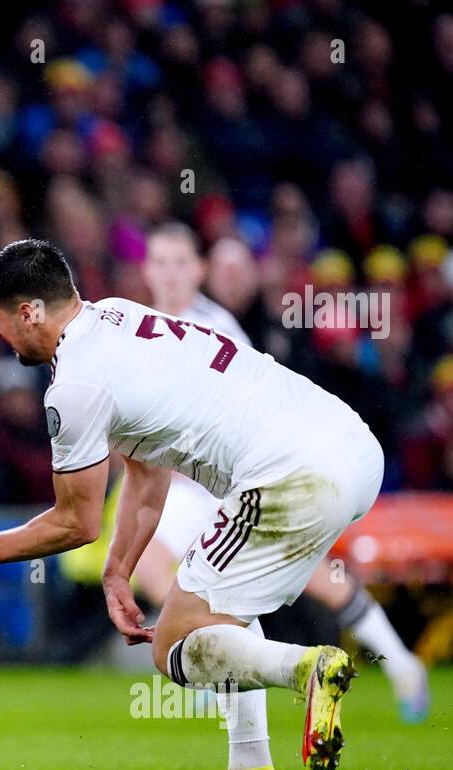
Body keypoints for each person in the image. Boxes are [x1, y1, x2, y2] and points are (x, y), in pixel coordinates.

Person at [0, 239, 386, 770]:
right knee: (222, 612)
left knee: (174, 647)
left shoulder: (75, 387)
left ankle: (306, 668)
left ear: (29, 311)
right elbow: (148, 469)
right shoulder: (123, 317)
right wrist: (118, 570)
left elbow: (76, 519)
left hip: (290, 474)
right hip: (350, 446)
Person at [135, 223, 430, 734]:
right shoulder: (145, 329)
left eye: (181, 262)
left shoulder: (218, 329)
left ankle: (401, 664)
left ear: (198, 271)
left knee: (316, 580)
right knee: (157, 566)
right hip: (186, 485)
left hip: (237, 479)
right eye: (160, 262)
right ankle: (213, 670)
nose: (170, 273)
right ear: (146, 270)